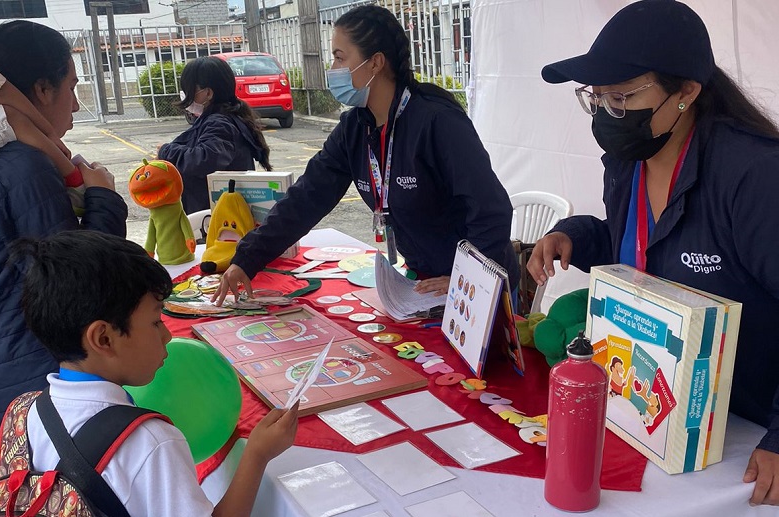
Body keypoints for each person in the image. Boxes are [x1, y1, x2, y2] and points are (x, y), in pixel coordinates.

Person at [530, 0, 779, 506]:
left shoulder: (755, 176)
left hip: (749, 421)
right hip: (666, 409)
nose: (606, 114)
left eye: (621, 96)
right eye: (596, 98)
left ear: (687, 91)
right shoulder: (628, 159)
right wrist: (574, 236)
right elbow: (639, 243)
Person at [213, 5, 516, 303]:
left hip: (476, 290)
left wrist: (467, 278)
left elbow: (491, 210)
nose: (333, 70)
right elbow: (308, 196)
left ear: (375, 63)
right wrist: (247, 259)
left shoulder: (437, 121)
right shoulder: (355, 127)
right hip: (422, 288)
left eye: (339, 58)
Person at [7, 230, 298, 515]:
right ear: (104, 339)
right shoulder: (151, 442)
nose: (168, 336)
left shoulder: (26, 411)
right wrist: (257, 454)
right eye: (156, 321)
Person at [0, 20, 127, 430]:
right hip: (37, 390)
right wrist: (103, 197)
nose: (76, 105)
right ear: (43, 90)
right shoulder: (24, 167)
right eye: (73, 87)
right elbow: (80, 286)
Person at [157, 56, 272, 214]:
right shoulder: (224, 117)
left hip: (218, 220)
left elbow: (205, 159)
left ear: (208, 93)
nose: (185, 95)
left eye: (189, 90)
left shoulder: (219, 123)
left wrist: (166, 151)